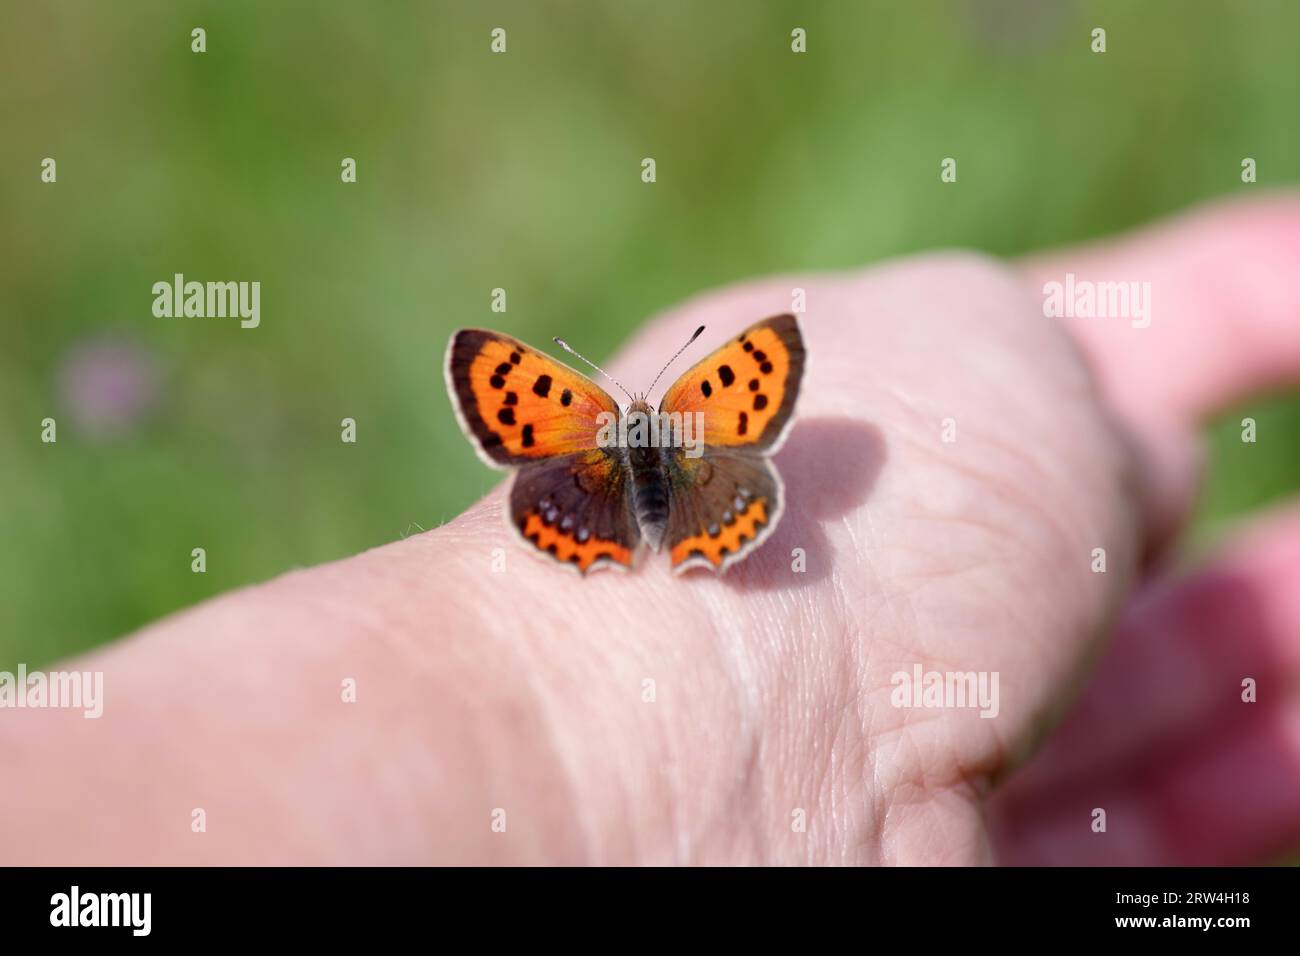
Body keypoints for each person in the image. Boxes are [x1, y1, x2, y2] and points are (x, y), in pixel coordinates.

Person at [4, 196, 1298, 865]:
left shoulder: (596, 413)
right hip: (700, 493)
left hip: (629, 495)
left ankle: (610, 530)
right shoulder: (696, 404)